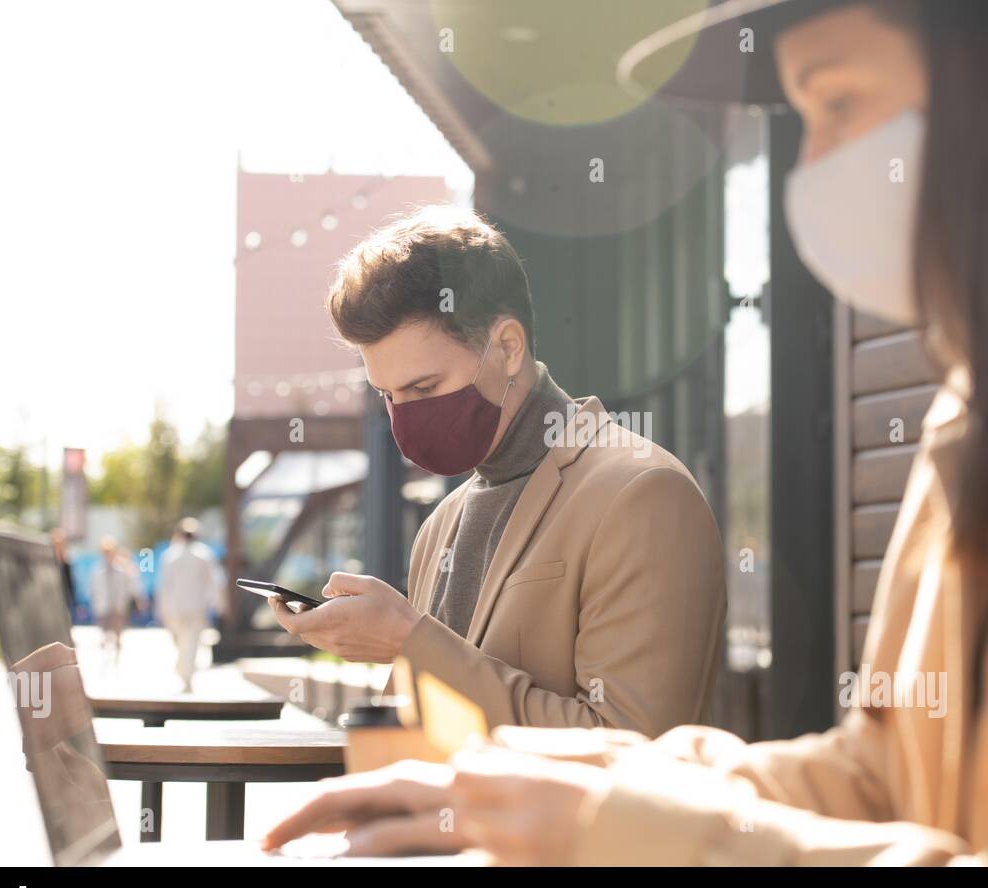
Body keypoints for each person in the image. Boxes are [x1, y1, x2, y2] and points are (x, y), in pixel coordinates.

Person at [263, 0, 988, 865]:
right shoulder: (984, 399)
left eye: (838, 105)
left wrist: (630, 831)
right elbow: (879, 770)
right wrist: (559, 788)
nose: (812, 169)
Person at [267, 206, 726, 737]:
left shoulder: (644, 494)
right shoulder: (442, 522)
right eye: (387, 397)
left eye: (424, 389)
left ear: (508, 348)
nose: (406, 418)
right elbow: (422, 740)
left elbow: (632, 748)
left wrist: (409, 641)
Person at [155, 517, 222, 691]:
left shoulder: (171, 555)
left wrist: (161, 608)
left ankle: (185, 674)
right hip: (195, 607)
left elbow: (163, 586)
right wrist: (217, 602)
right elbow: (215, 581)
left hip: (175, 608)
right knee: (190, 643)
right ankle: (185, 672)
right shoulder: (203, 554)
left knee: (184, 642)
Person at [88, 537, 142, 664]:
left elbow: (131, 586)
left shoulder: (122, 569)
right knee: (104, 632)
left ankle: (116, 656)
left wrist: (136, 599)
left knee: (118, 632)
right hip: (103, 606)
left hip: (118, 606)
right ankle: (105, 655)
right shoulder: (97, 570)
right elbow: (92, 589)